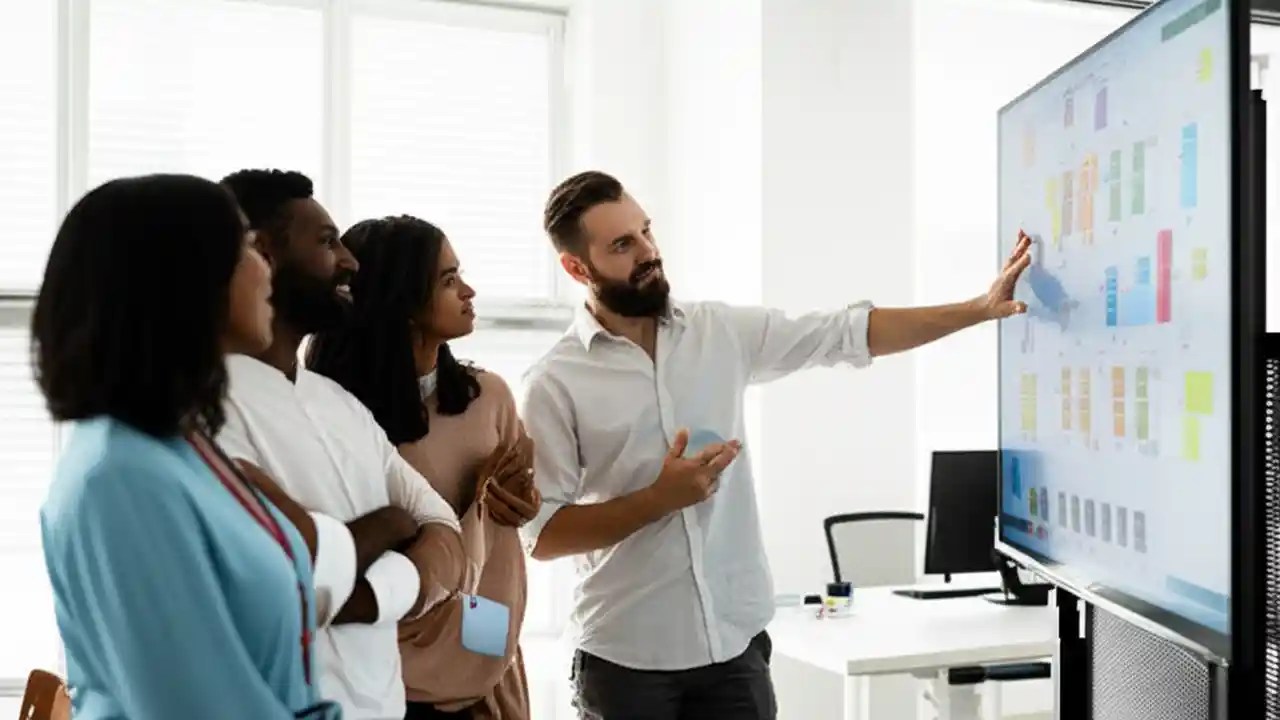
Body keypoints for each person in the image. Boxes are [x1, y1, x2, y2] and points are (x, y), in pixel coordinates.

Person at [519, 170, 1033, 719]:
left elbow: (847, 332)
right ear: (576, 267)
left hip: (734, 651)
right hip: (626, 663)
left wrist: (978, 309)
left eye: (646, 231)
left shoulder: (718, 332)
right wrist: (657, 499)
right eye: (623, 244)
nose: (648, 252)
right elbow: (544, 534)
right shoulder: (553, 383)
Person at [35, 174, 342, 718]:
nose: (265, 267)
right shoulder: (122, 474)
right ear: (186, 278)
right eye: (248, 248)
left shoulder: (181, 443)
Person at [216, 170, 472, 720]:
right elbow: (284, 578)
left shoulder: (340, 405)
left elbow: (445, 535)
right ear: (262, 253)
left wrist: (371, 597)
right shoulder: (204, 411)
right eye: (328, 243)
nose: (351, 262)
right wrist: (390, 525)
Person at [307, 215, 542, 720]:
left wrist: (523, 500)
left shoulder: (491, 397)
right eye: (449, 280)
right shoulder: (340, 417)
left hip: (490, 664)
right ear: (402, 302)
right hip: (392, 678)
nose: (469, 291)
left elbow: (512, 520)